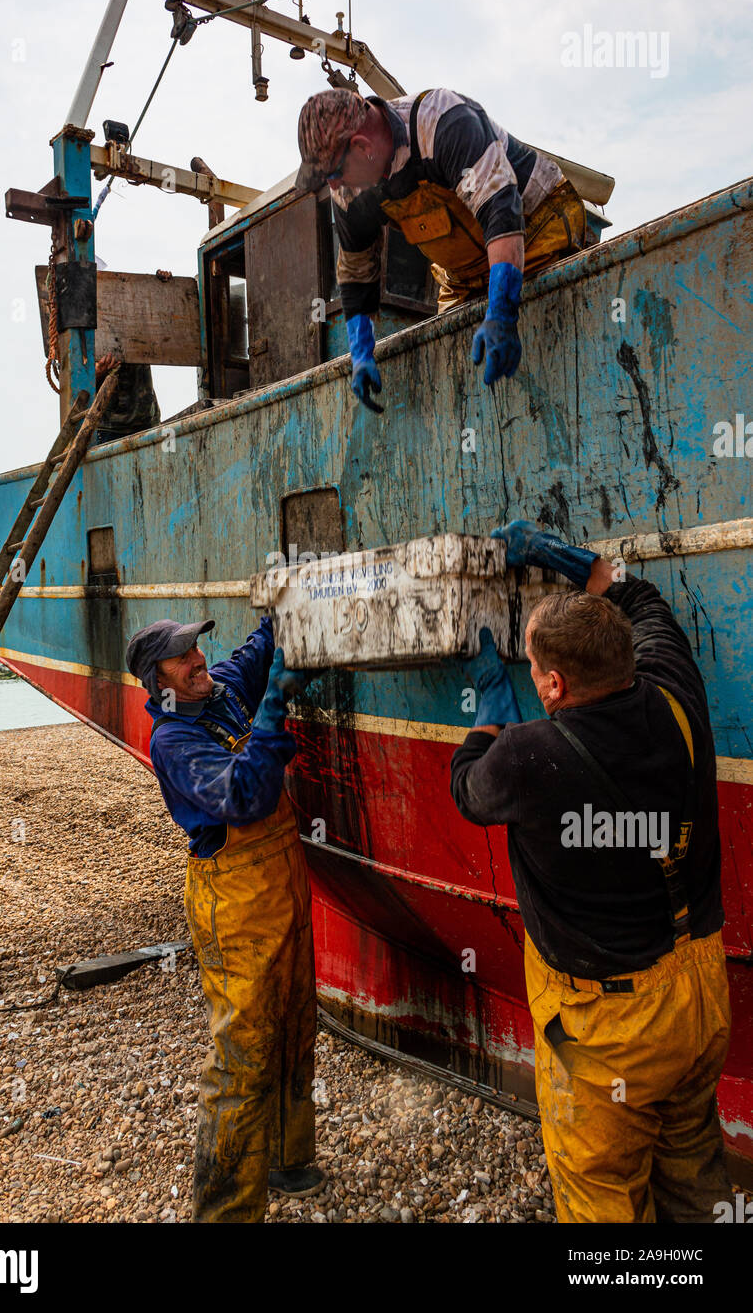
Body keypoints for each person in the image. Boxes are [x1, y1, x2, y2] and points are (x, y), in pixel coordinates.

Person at [449, 519, 731, 1224]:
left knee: (601, 1194)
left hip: (610, 1031)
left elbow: (467, 790)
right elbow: (639, 599)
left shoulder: (524, 758)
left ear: (550, 683)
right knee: (693, 1164)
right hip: (698, 988)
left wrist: (487, 709)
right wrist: (572, 561)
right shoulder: (673, 688)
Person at [125, 614, 323, 1223]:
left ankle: (289, 1161)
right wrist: (275, 710)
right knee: (242, 1052)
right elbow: (246, 795)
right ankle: (225, 1212)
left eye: (194, 646)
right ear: (158, 683)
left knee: (294, 1020)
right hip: (232, 897)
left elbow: (257, 648)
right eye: (180, 657)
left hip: (281, 874)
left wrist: (286, 599)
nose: (197, 658)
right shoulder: (173, 743)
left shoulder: (222, 686)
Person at [295, 89, 586, 410]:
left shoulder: (442, 123)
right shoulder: (351, 192)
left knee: (559, 344)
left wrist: (502, 312)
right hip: (464, 276)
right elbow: (356, 272)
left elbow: (499, 211)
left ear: (363, 147)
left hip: (536, 232)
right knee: (463, 376)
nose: (333, 186)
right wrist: (361, 354)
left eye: (333, 174)